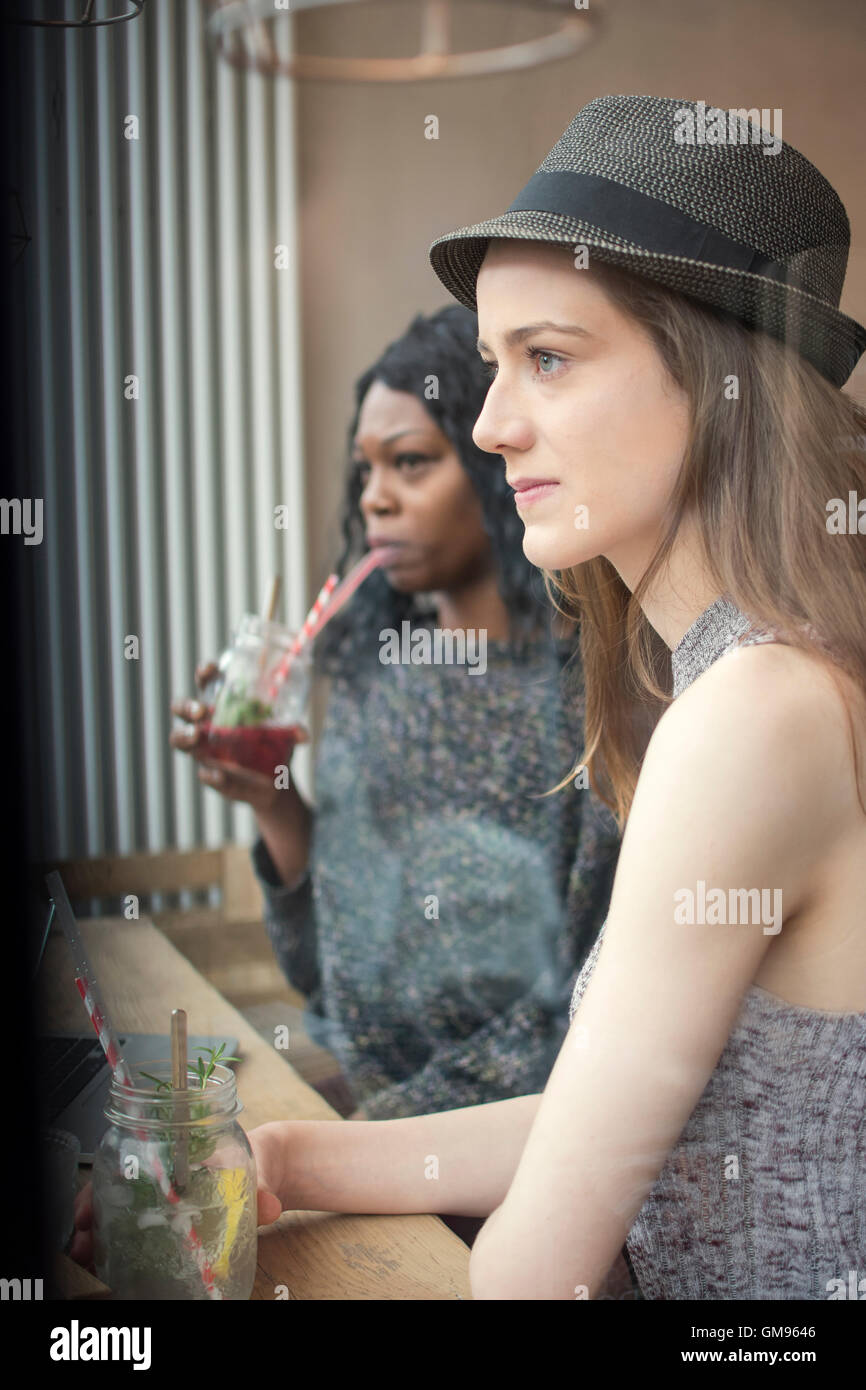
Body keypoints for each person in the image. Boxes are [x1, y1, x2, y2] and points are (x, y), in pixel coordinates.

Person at [74, 95, 866, 1301]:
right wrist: (288, 1152)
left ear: (718, 385)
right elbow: (618, 1130)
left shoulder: (752, 714)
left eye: (545, 357)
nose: (491, 424)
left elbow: (525, 1280)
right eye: (493, 363)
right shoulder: (755, 679)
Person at [169, 304, 620, 1142]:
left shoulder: (593, 706)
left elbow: (575, 1022)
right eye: (365, 470)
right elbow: (324, 971)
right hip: (357, 1111)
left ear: (497, 465)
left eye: (410, 463)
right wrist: (274, 799)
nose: (375, 497)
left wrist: (365, 1139)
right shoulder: (375, 669)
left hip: (512, 1144)